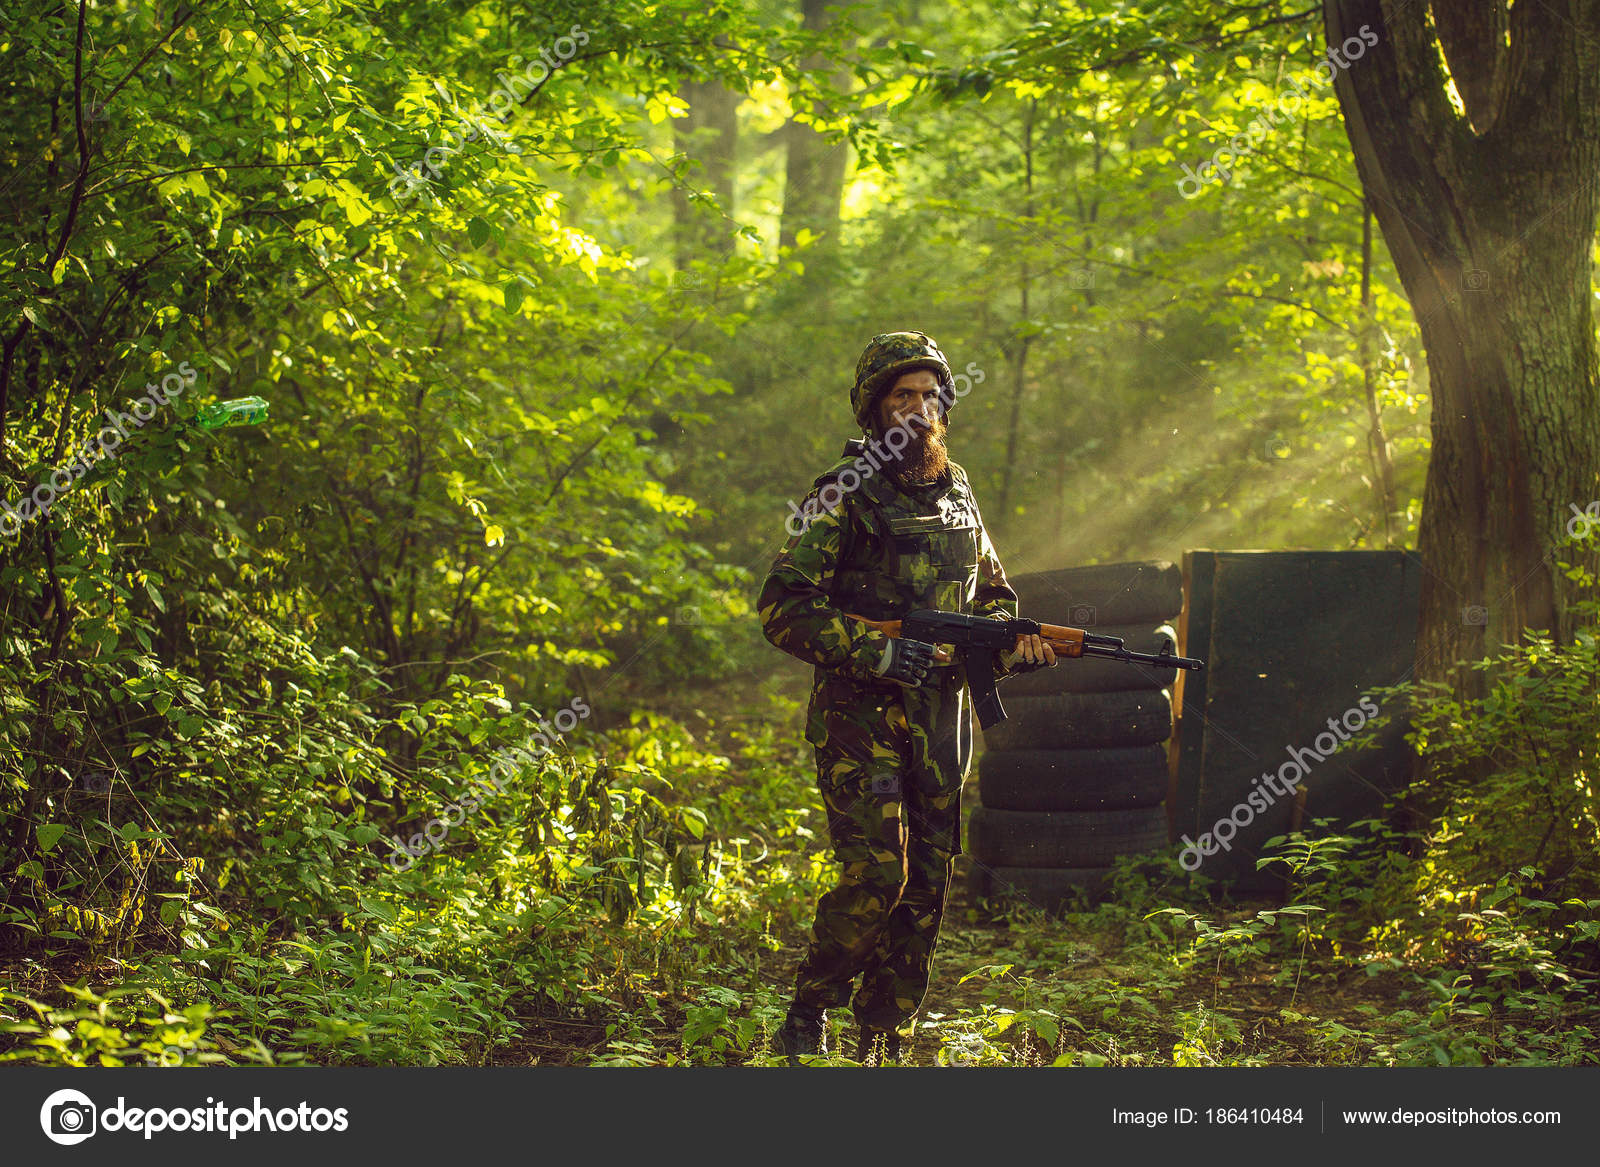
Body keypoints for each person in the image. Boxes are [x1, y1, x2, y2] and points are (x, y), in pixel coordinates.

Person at [757, 330, 1055, 1065]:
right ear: (875, 407)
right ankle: (808, 1011)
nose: (920, 409)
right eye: (903, 395)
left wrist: (1008, 644)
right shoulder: (841, 494)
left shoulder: (959, 491)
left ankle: (883, 1029)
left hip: (942, 723)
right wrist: (883, 651)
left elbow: (994, 594)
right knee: (877, 876)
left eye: (931, 395)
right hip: (861, 722)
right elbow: (783, 606)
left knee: (926, 883)